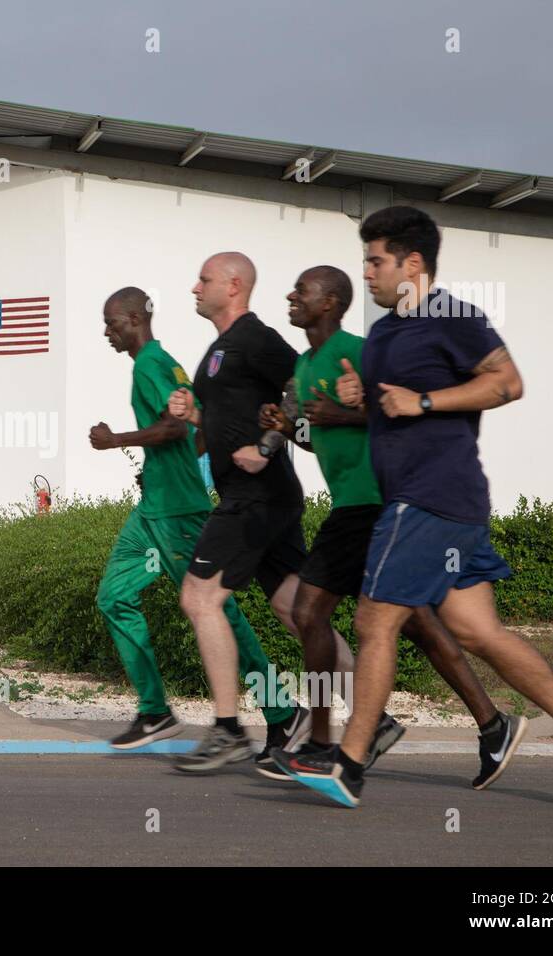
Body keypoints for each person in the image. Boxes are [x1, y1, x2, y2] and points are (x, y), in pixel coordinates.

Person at [273, 206, 553, 809]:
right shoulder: (384, 333)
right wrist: (366, 401)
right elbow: (385, 409)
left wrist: (427, 401)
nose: (367, 272)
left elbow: (508, 383)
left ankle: (350, 764)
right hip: (431, 501)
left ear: (413, 264)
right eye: (366, 260)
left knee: (375, 621)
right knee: (476, 629)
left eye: (376, 260)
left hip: (431, 495)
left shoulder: (454, 318)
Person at [255, 265, 518, 787]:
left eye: (301, 291)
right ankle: (491, 725)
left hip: (375, 502)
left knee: (309, 610)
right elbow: (320, 434)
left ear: (330, 302)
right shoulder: (305, 363)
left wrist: (344, 413)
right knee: (417, 622)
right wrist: (292, 427)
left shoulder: (359, 349)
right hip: (356, 503)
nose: (290, 295)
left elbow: (393, 414)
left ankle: (324, 744)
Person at [89, 286, 296, 749]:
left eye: (112, 323)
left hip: (178, 511)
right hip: (153, 509)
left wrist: (115, 439)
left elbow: (175, 425)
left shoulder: (149, 365)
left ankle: (281, 711)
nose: (107, 332)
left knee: (214, 609)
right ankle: (155, 711)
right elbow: (192, 432)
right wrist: (167, 465)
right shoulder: (166, 363)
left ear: (135, 320)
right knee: (114, 597)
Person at [167, 252, 312, 773]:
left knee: (199, 596)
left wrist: (271, 443)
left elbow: (304, 384)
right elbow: (221, 422)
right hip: (256, 497)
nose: (194, 287)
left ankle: (228, 730)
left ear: (233, 285)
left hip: (257, 496)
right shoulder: (218, 349)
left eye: (202, 279)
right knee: (298, 611)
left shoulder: (256, 337)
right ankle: (376, 716)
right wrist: (194, 414)